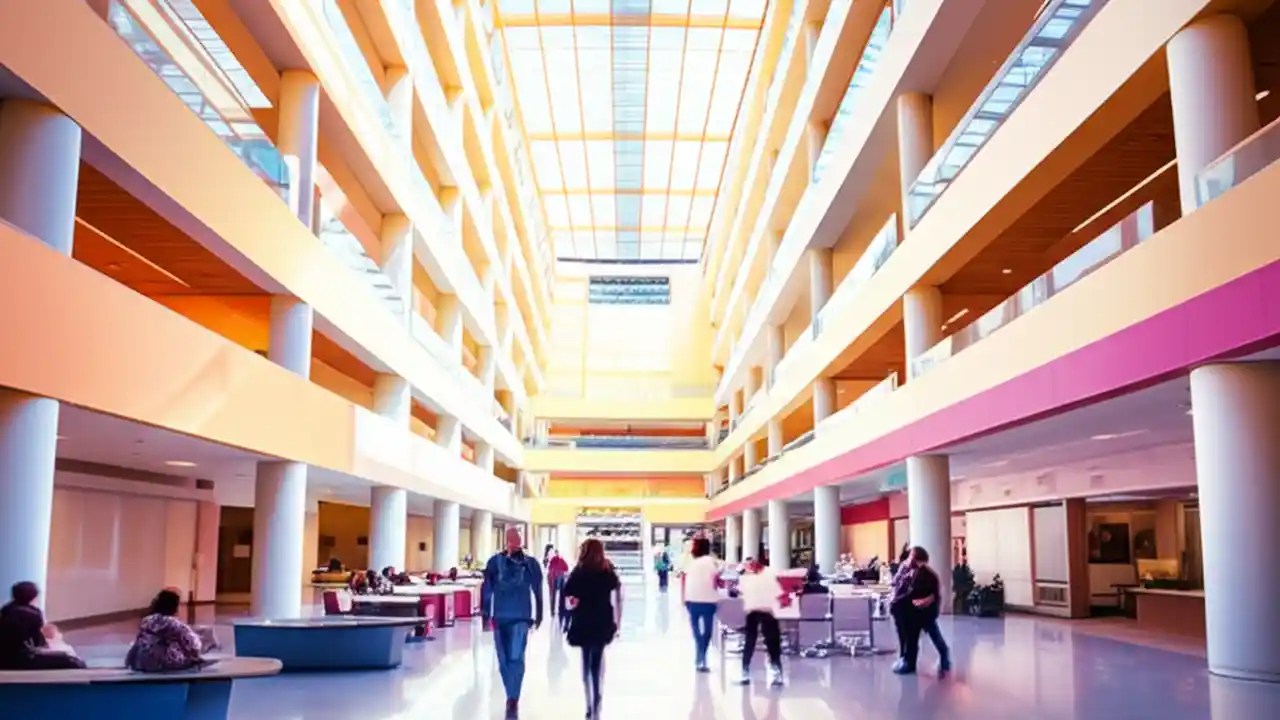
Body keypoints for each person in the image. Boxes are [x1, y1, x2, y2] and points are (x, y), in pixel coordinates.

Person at [482, 526, 544, 718]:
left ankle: (513, 697)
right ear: (507, 541)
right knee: (503, 659)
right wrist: (485, 614)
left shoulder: (531, 564)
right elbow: (487, 590)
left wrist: (540, 613)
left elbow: (538, 589)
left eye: (519, 538)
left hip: (521, 617)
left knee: (516, 657)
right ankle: (511, 693)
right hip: (500, 617)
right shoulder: (494, 562)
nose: (516, 541)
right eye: (513, 538)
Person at [562, 539, 622, 719]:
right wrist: (618, 620)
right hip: (602, 620)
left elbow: (568, 593)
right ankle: (597, 696)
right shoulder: (607, 570)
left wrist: (575, 602)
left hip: (583, 621)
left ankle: (589, 700)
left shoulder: (579, 571)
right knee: (597, 660)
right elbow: (617, 592)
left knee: (586, 660)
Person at [893, 546, 951, 676]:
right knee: (911, 639)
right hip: (911, 613)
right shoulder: (908, 570)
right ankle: (908, 662)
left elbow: (934, 595)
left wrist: (925, 601)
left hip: (925, 613)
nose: (909, 559)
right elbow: (898, 585)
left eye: (911, 556)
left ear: (917, 559)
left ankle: (944, 657)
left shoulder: (929, 575)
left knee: (933, 635)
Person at [735, 557, 788, 686]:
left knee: (752, 641)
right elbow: (779, 592)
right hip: (766, 610)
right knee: (771, 642)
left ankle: (745, 670)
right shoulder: (769, 573)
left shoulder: (746, 576)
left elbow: (739, 592)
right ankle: (776, 672)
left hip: (756, 610)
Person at [125, 589, 205, 672]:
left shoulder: (146, 621)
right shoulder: (173, 624)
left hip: (142, 661)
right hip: (162, 662)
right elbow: (193, 644)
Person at [682, 536, 720, 672]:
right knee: (708, 631)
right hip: (709, 600)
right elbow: (716, 580)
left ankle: (700, 656)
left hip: (692, 599)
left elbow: (684, 580)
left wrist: (684, 599)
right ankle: (701, 656)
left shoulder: (690, 563)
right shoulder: (712, 562)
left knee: (696, 629)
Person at [547, 549, 570, 623]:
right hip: (559, 576)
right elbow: (566, 568)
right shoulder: (561, 559)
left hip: (553, 576)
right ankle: (561, 610)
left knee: (552, 595)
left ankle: (552, 611)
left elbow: (550, 568)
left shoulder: (553, 560)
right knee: (561, 594)